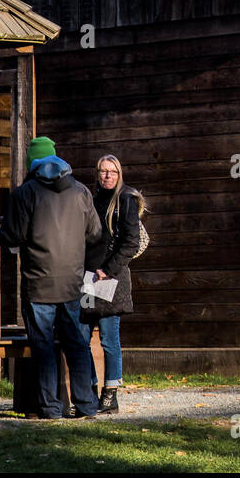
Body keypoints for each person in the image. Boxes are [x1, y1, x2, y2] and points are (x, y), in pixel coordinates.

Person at [0, 136, 103, 419]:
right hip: (72, 283)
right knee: (77, 345)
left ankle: (50, 408)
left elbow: (14, 234)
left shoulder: (25, 193)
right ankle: (87, 406)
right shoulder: (81, 192)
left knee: (43, 348)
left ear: (33, 164)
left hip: (38, 283)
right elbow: (95, 234)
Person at [81, 154, 145, 414]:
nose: (108, 176)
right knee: (82, 337)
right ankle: (90, 390)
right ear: (97, 174)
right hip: (88, 279)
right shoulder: (92, 200)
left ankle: (110, 394)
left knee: (109, 339)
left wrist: (107, 270)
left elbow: (130, 241)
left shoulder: (125, 199)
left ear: (119, 175)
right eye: (103, 171)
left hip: (110, 279)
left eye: (113, 172)